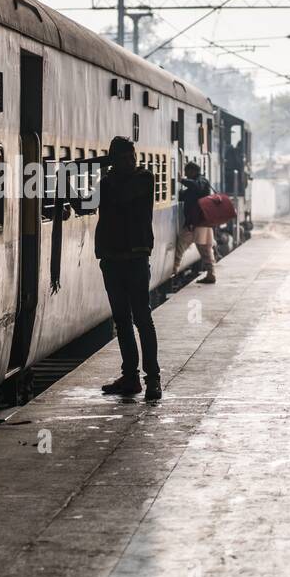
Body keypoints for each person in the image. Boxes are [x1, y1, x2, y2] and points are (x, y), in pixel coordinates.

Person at [85, 137, 161, 401]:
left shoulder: (144, 178)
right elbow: (86, 206)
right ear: (115, 159)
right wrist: (66, 185)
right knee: (122, 321)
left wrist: (105, 173)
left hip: (136, 259)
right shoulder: (106, 182)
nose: (130, 161)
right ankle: (131, 377)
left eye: (132, 156)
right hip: (111, 259)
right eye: (124, 158)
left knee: (142, 319)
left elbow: (121, 196)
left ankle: (153, 380)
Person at [173, 161, 217, 284]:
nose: (186, 175)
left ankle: (175, 269)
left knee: (201, 247)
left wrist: (181, 180)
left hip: (199, 222)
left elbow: (196, 187)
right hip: (197, 222)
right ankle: (210, 274)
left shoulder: (201, 181)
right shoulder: (195, 185)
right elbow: (185, 195)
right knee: (204, 248)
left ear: (192, 171)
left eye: (187, 173)